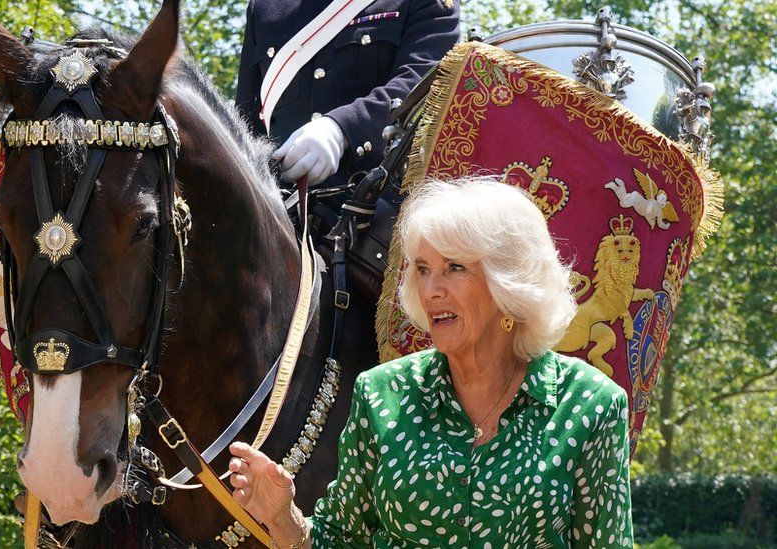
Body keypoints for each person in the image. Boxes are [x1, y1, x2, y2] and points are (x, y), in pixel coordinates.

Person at [228, 177, 634, 547]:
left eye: (454, 267)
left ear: (509, 282)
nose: (431, 290)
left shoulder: (591, 406)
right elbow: (339, 540)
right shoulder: (381, 395)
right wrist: (283, 518)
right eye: (423, 269)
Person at [235, 0, 460, 192]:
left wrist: (342, 128)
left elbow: (422, 83)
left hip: (376, 198)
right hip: (277, 200)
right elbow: (245, 120)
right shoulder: (265, 6)